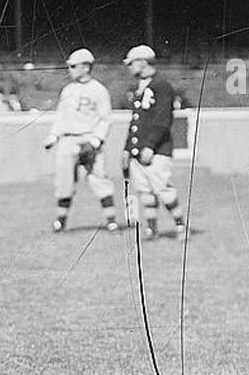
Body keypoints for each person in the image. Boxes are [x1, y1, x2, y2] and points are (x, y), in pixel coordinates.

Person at [44, 48, 119, 233]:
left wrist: (95, 141)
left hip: (88, 139)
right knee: (64, 182)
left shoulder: (99, 90)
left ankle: (111, 220)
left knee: (99, 179)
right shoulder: (68, 90)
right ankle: (60, 221)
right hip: (68, 140)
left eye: (74, 66)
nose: (70, 70)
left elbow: (105, 118)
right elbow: (61, 117)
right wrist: (53, 136)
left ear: (86, 67)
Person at [122, 44, 186, 240]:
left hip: (156, 149)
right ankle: (152, 229)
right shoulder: (138, 87)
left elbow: (162, 119)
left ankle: (180, 225)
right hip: (138, 150)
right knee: (144, 190)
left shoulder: (162, 86)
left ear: (142, 62)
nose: (129, 68)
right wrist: (127, 148)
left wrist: (150, 145)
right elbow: (136, 121)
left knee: (161, 188)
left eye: (131, 63)